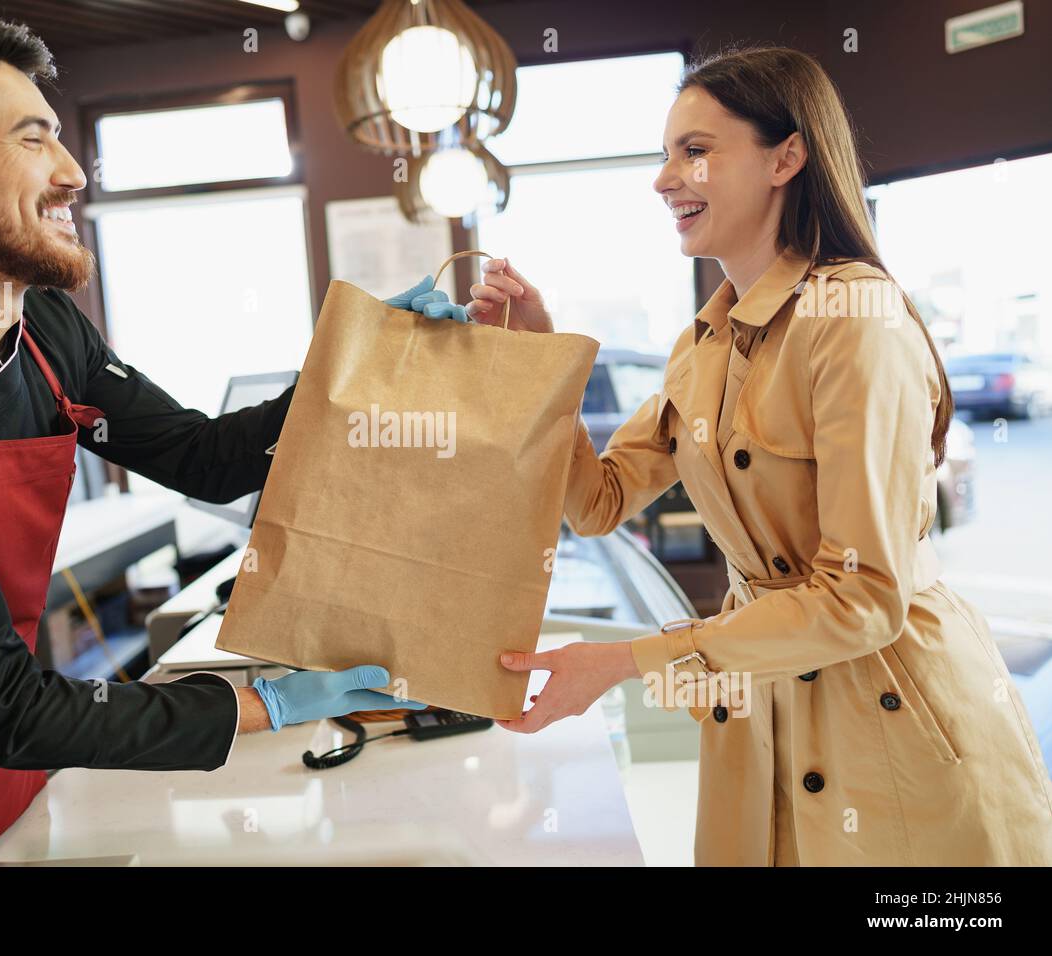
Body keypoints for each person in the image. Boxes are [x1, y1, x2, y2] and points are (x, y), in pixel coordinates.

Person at [0, 10, 443, 867]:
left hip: (10, 776)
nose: (73, 171)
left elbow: (204, 458)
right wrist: (264, 704)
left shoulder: (46, 324)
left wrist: (357, 366)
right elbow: (3, 709)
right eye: (32, 138)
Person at [403, 45, 1052, 866]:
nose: (664, 178)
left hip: (892, 713)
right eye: (666, 153)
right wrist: (544, 362)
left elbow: (864, 597)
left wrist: (624, 662)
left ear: (787, 156)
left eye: (696, 151)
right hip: (757, 705)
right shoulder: (701, 345)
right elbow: (596, 502)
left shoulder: (855, 319)